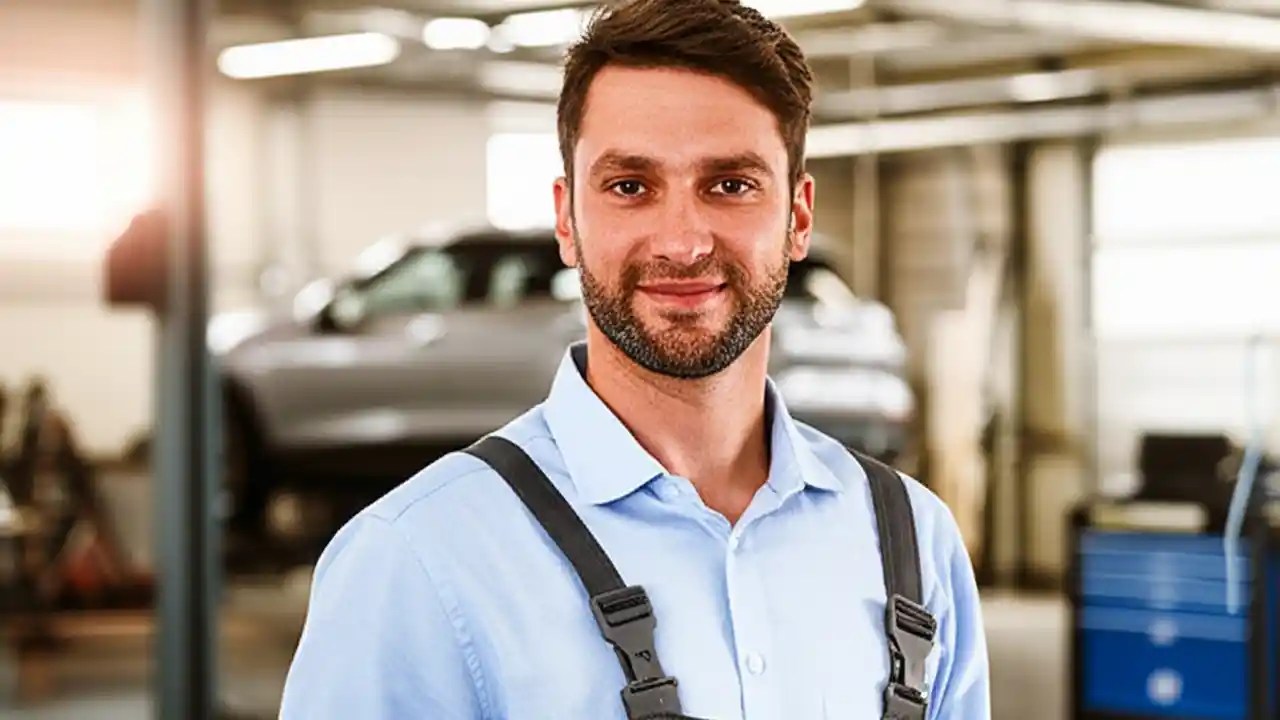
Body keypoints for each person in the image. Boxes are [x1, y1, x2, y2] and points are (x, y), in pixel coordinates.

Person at [279, 1, 991, 718]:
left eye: (730, 184)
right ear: (567, 219)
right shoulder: (417, 561)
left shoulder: (913, 540)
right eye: (630, 187)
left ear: (798, 217)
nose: (683, 242)